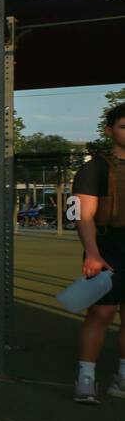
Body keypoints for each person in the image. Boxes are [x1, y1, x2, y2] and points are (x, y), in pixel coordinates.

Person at [70, 103, 125, 404]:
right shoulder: (95, 168)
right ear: (109, 130)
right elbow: (84, 215)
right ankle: (86, 377)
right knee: (101, 313)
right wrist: (92, 252)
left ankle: (123, 377)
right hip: (107, 246)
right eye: (124, 126)